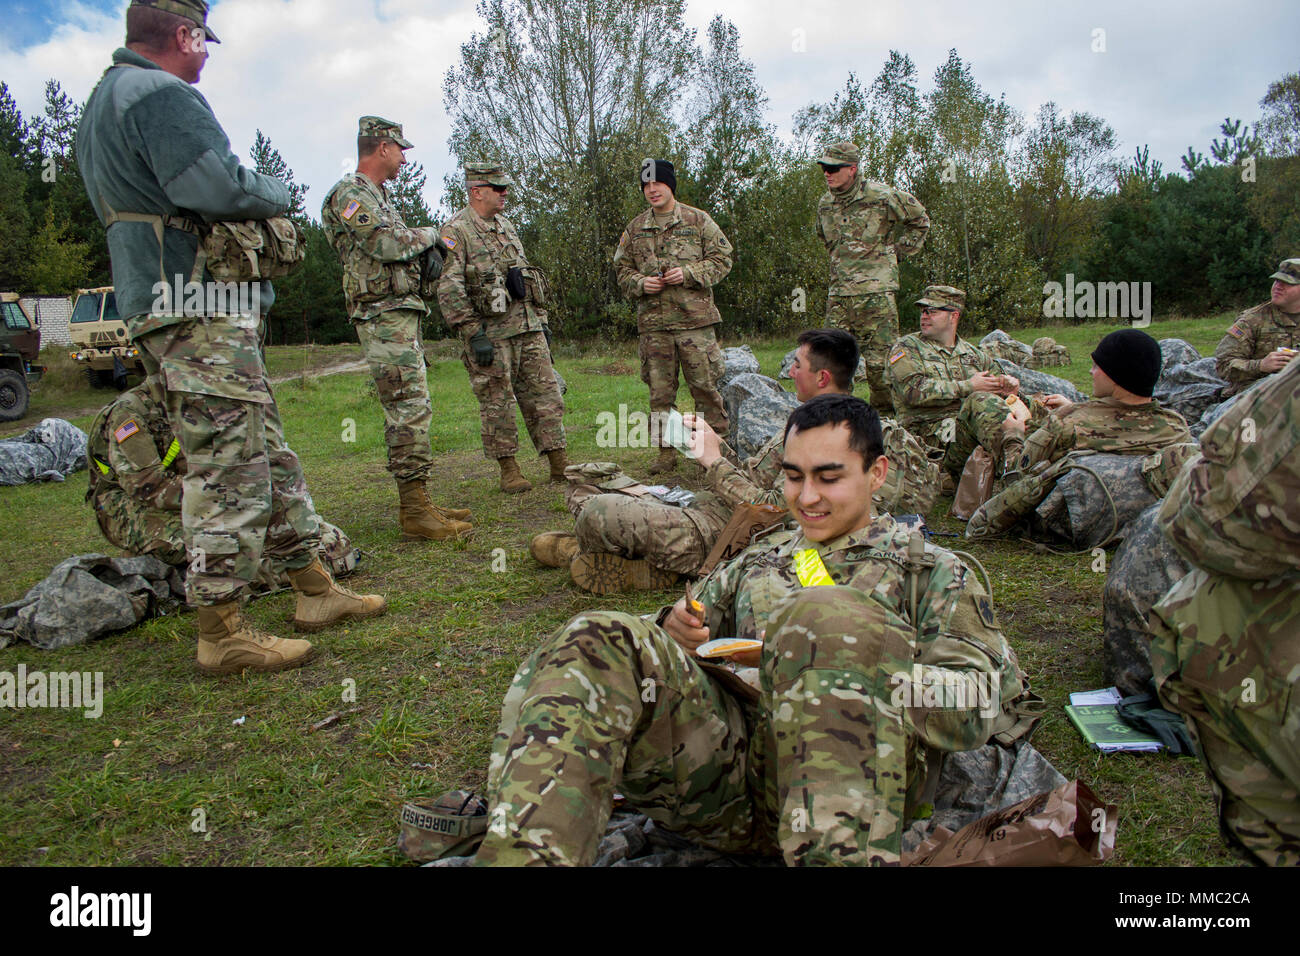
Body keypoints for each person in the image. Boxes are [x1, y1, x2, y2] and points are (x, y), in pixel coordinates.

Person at [470, 395, 1034, 866]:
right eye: (793, 477)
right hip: (733, 781)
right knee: (599, 637)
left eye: (828, 477)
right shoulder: (761, 560)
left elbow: (976, 700)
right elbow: (672, 638)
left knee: (825, 619)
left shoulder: (931, 571)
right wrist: (672, 629)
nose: (806, 497)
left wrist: (859, 676)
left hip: (860, 793)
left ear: (876, 473)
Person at [76, 0, 384, 674]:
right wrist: (280, 191)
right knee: (229, 466)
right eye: (202, 40)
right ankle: (221, 631)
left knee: (265, 449)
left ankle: (313, 588)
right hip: (195, 301)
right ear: (182, 34)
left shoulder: (103, 99)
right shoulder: (157, 91)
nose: (206, 55)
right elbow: (216, 184)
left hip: (170, 299)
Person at [531, 329, 858, 594]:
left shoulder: (836, 435)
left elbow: (777, 513)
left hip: (729, 533)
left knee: (599, 512)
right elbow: (752, 477)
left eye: (798, 365)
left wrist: (714, 463)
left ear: (822, 377)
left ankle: (586, 553)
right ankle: (637, 560)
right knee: (584, 484)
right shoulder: (802, 420)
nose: (790, 371)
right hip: (706, 506)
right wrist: (715, 446)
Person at [1149, 354, 1300, 866]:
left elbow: (1200, 515)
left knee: (1212, 611)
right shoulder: (1167, 425)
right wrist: (1259, 361)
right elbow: (1230, 365)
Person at [321, 116, 472, 540]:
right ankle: (414, 511)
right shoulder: (350, 194)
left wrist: (425, 254)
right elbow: (387, 244)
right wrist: (431, 235)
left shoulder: (379, 197)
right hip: (381, 315)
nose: (405, 158)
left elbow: (399, 246)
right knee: (408, 406)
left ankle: (420, 500)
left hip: (399, 311)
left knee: (415, 403)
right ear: (381, 147)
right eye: (400, 149)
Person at [86, 379, 360, 584]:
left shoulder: (201, 400)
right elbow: (147, 487)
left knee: (327, 539)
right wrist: (225, 499)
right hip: (130, 505)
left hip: (203, 497)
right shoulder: (130, 413)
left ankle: (284, 562)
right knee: (213, 548)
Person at [437, 163, 568, 493]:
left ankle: (559, 462)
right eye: (497, 188)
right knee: (498, 402)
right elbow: (449, 287)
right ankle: (509, 468)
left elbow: (524, 276)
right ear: (476, 191)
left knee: (546, 396)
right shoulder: (456, 231)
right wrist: (471, 332)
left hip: (528, 326)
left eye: (505, 187)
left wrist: (543, 322)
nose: (504, 193)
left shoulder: (506, 226)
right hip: (491, 335)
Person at [613, 159, 734, 474]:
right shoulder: (635, 229)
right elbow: (621, 269)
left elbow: (723, 258)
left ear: (670, 185)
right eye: (646, 185)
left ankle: (717, 453)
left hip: (695, 324)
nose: (652, 190)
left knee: (705, 390)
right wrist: (641, 283)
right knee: (660, 394)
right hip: (655, 328)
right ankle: (666, 453)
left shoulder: (697, 220)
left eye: (658, 183)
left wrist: (691, 273)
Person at [816, 141, 929, 416]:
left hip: (875, 296)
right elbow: (825, 240)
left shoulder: (882, 196)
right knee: (831, 362)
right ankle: (837, 419)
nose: (827, 174)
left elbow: (920, 220)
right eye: (824, 168)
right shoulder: (825, 204)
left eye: (833, 168)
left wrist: (894, 256)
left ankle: (887, 425)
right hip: (840, 295)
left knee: (881, 366)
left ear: (852, 169)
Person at [886, 285, 1028, 479]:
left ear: (954, 316)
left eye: (932, 311)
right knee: (978, 402)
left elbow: (999, 387)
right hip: (935, 441)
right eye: (923, 311)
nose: (924, 316)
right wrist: (968, 386)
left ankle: (1030, 460)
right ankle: (1014, 470)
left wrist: (1009, 388)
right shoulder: (907, 348)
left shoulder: (974, 354)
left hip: (974, 430)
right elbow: (912, 391)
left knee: (1032, 406)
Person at [1004, 329, 1192, 472]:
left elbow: (1016, 471)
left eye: (1096, 365)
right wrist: (1075, 409)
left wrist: (1013, 435)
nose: (1090, 372)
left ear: (1115, 375)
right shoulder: (1177, 428)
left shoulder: (1066, 423)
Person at [1213, 257, 1300, 396]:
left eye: (1287, 283)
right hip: (1256, 396)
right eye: (1277, 280)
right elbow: (1223, 365)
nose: (1278, 286)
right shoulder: (1251, 320)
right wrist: (1261, 366)